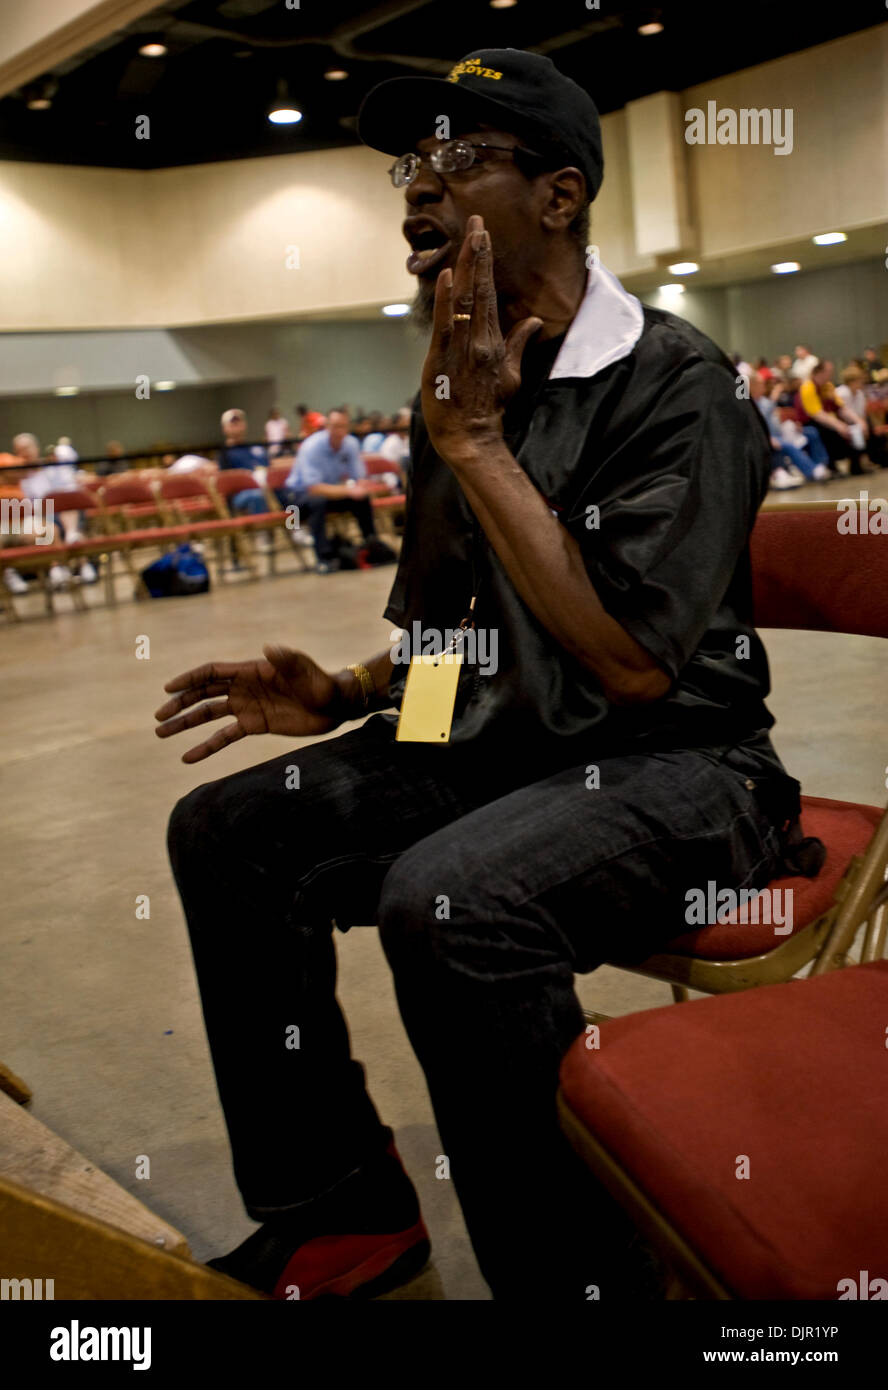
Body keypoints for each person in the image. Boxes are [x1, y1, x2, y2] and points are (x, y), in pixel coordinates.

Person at [157, 47, 819, 1303]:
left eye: (458, 162)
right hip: (509, 743)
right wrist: (352, 695)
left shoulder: (681, 385)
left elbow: (630, 668)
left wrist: (473, 441)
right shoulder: (458, 376)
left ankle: (582, 1279)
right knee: (233, 830)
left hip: (686, 764)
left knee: (448, 900)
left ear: (560, 197)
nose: (416, 192)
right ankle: (338, 1207)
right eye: (409, 167)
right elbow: (460, 643)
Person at [279, 408, 381, 572]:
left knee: (361, 498)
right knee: (317, 502)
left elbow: (360, 479)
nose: (339, 431)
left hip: (330, 492)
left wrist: (360, 488)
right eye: (335, 426)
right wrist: (349, 490)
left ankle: (372, 546)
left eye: (342, 426)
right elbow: (314, 488)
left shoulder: (350, 444)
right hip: (296, 499)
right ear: (327, 426)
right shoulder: (311, 446)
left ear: (347, 427)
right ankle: (324, 558)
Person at [798, 360, 865, 475]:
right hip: (812, 422)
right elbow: (816, 413)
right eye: (829, 372)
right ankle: (831, 465)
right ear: (819, 372)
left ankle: (856, 466)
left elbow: (840, 407)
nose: (831, 374)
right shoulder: (808, 387)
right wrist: (838, 425)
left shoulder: (828, 386)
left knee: (854, 428)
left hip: (828, 419)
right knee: (830, 431)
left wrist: (859, 421)